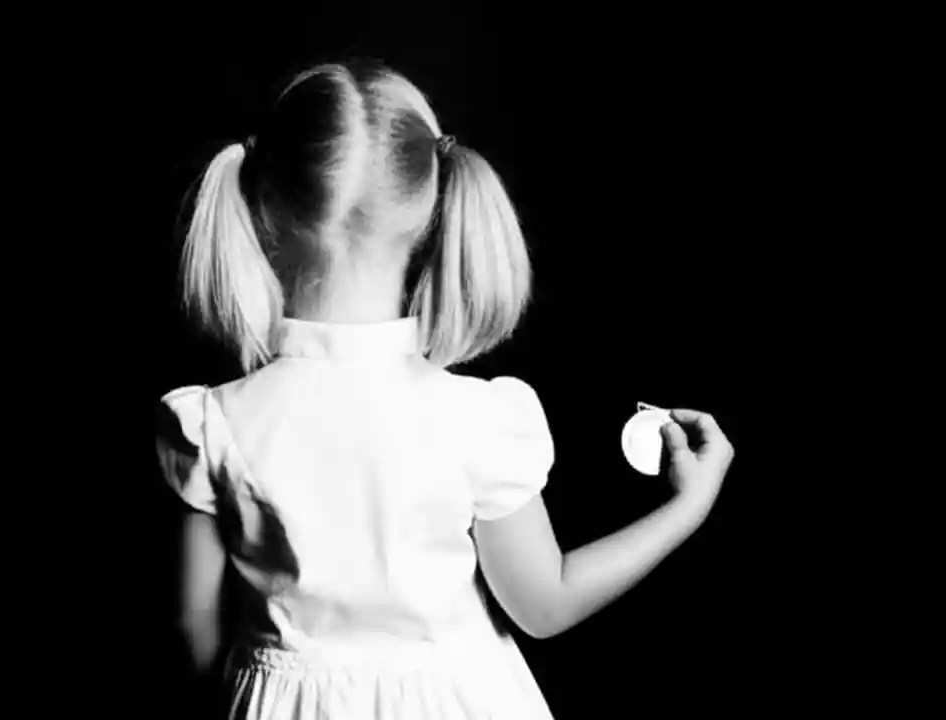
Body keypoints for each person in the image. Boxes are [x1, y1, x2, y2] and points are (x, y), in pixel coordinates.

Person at [154, 58, 735, 719]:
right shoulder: (479, 419)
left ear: (261, 203)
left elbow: (193, 627)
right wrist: (691, 505)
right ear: (431, 209)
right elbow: (544, 606)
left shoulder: (210, 423)